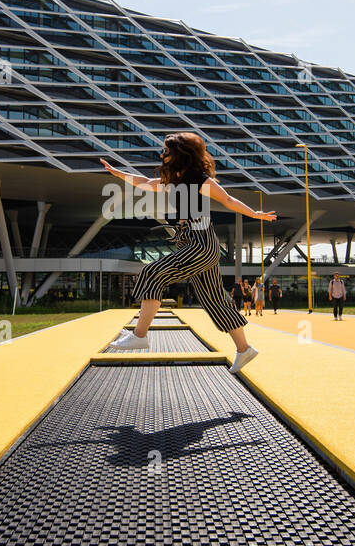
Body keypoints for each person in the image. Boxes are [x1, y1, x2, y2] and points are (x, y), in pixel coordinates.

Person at [103, 134, 276, 372]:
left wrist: (255, 214)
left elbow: (227, 199)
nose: (161, 155)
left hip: (201, 242)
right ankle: (244, 349)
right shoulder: (173, 178)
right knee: (214, 300)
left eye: (165, 151)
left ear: (180, 153)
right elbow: (145, 182)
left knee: (153, 272)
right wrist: (117, 173)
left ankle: (140, 334)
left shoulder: (198, 179)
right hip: (190, 243)